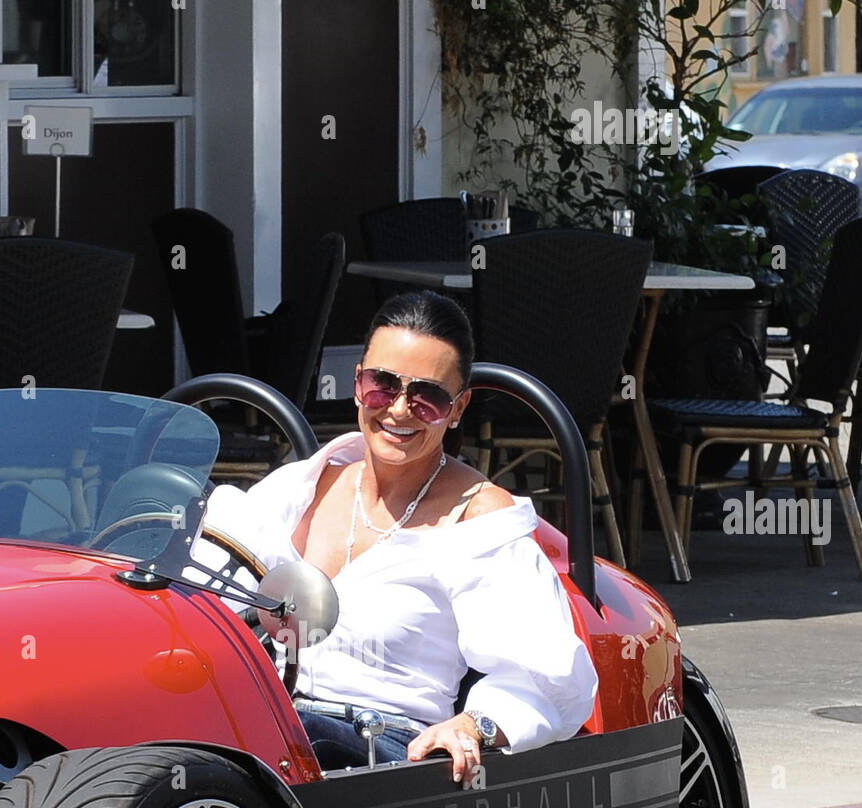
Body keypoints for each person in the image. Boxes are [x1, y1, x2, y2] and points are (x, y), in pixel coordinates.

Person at [202, 291, 599, 780]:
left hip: (386, 749)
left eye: (428, 397)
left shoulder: (479, 523)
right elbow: (202, 580)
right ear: (357, 385)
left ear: (457, 409)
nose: (399, 410)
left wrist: (473, 725)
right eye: (382, 385)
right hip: (267, 724)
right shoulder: (302, 487)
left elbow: (551, 676)